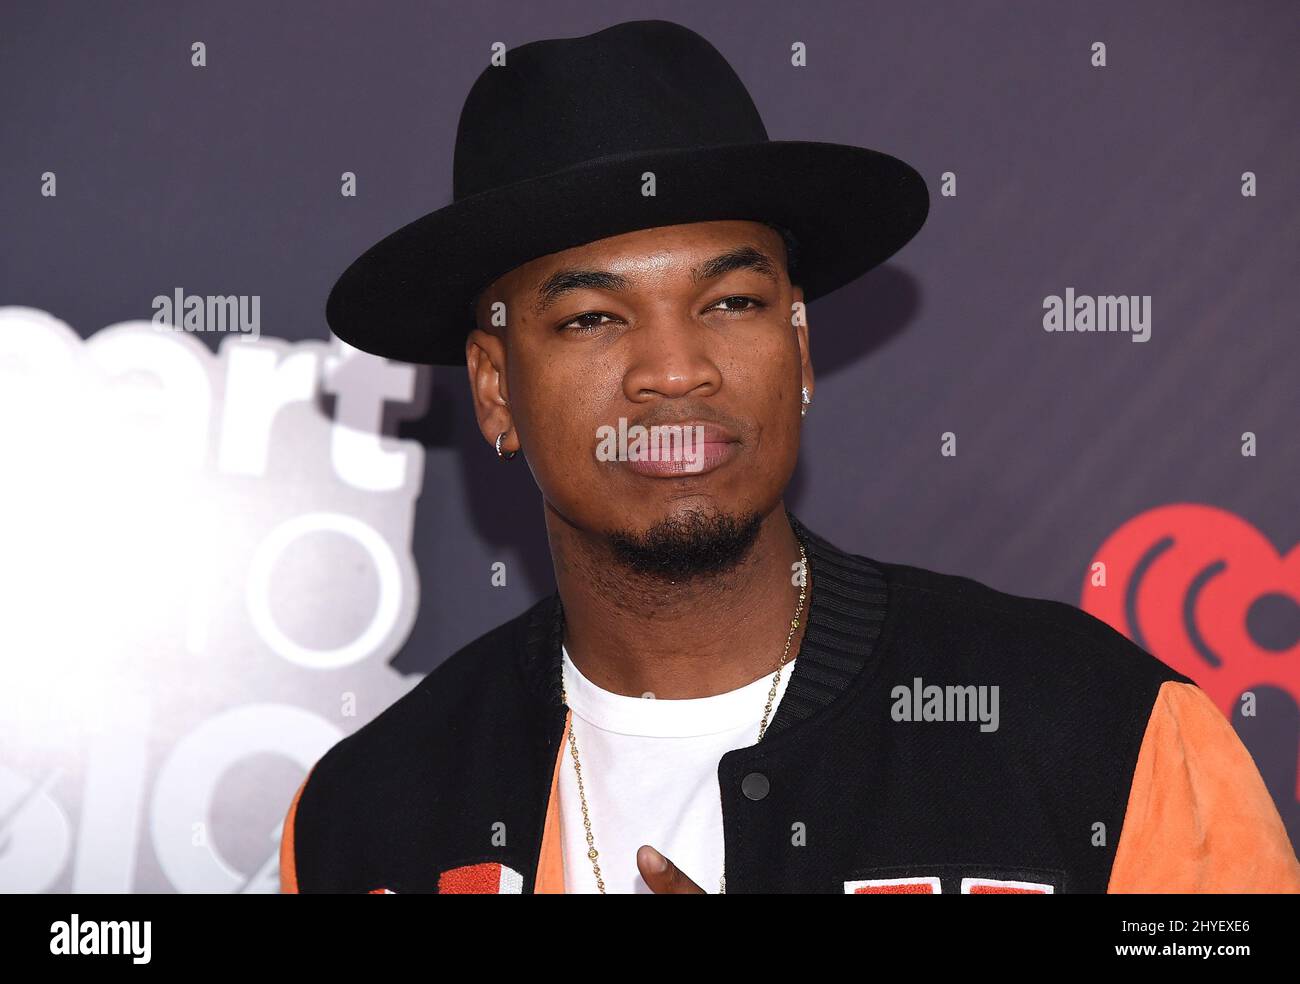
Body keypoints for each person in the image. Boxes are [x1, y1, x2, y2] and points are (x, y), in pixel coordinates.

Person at [279, 19, 1299, 894]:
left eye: (731, 302)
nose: (675, 371)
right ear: (496, 388)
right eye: (592, 318)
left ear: (799, 347)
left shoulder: (1101, 735)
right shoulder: (363, 818)